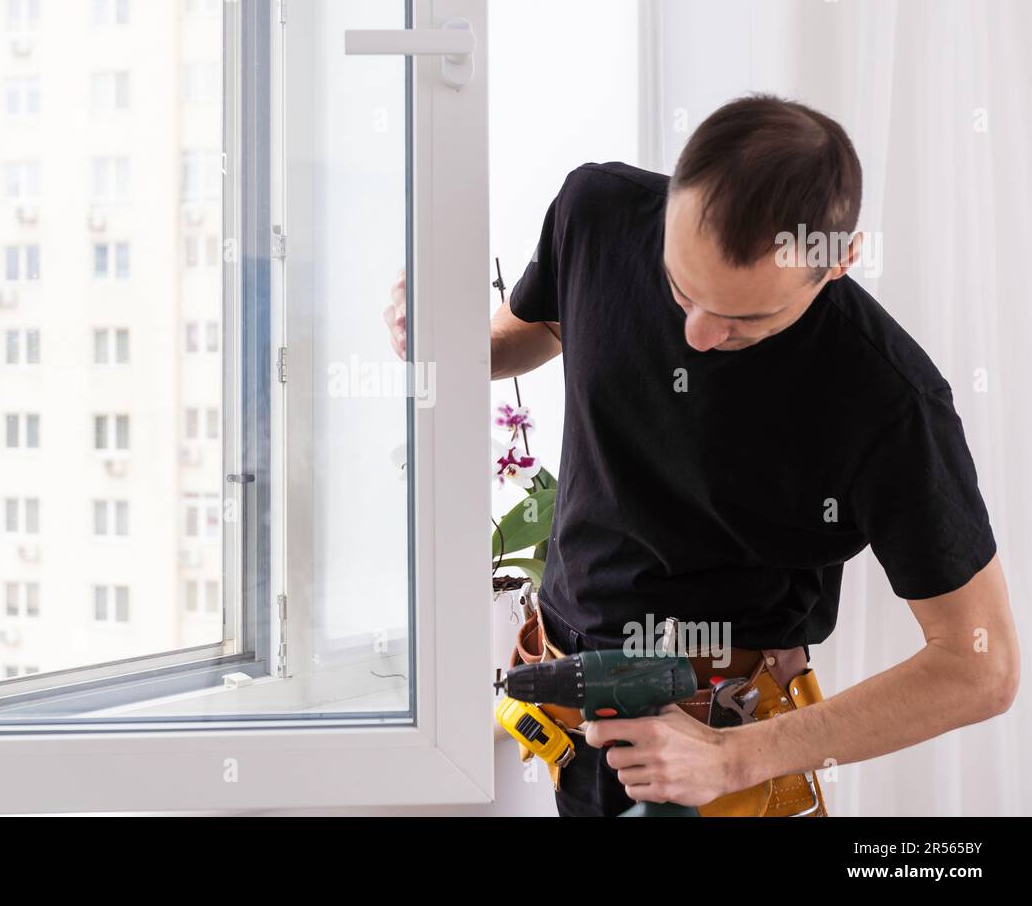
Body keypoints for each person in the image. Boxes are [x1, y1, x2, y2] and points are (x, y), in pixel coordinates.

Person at [383, 94, 1019, 816]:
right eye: (680, 288)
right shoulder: (598, 211)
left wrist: (728, 758)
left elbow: (981, 666)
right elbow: (537, 329)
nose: (695, 334)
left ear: (839, 260)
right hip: (569, 714)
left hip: (723, 742)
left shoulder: (890, 401)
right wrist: (449, 342)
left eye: (744, 319)